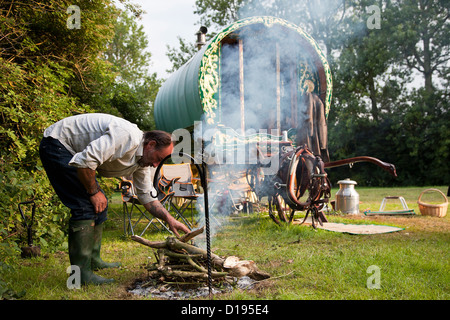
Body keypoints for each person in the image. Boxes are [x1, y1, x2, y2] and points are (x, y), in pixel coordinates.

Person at [39, 113, 190, 285]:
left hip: (78, 157)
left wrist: (169, 219)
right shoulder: (127, 136)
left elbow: (147, 197)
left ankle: (93, 260)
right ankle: (80, 276)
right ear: (151, 144)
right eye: (158, 159)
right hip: (58, 144)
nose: (156, 165)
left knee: (100, 205)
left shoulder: (142, 162)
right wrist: (93, 192)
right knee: (85, 206)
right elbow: (86, 162)